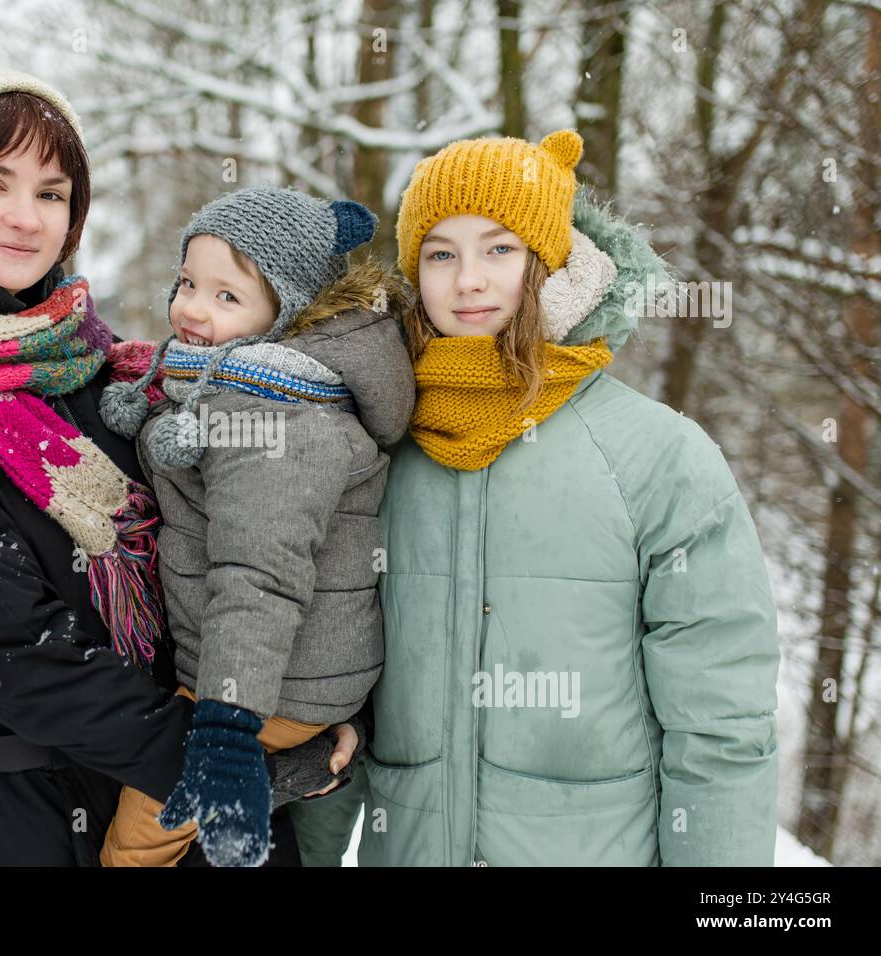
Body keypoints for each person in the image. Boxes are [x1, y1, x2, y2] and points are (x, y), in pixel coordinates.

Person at [0, 48, 356, 866]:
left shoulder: (106, 369)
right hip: (41, 817)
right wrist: (253, 768)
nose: (27, 216)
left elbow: (243, 545)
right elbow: (24, 663)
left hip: (198, 796)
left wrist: (309, 700)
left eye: (51, 193)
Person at [289, 129, 780, 866]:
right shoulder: (374, 450)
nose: (469, 281)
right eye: (440, 253)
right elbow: (334, 688)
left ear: (551, 262)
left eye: (500, 249)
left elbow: (722, 725)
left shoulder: (660, 457)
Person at [96, 186, 414, 866]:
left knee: (133, 850)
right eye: (187, 283)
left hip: (267, 687)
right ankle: (296, 769)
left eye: (226, 296)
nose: (191, 308)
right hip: (287, 676)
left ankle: (276, 765)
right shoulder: (253, 384)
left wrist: (225, 726)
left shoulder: (273, 419)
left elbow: (258, 578)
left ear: (287, 310)